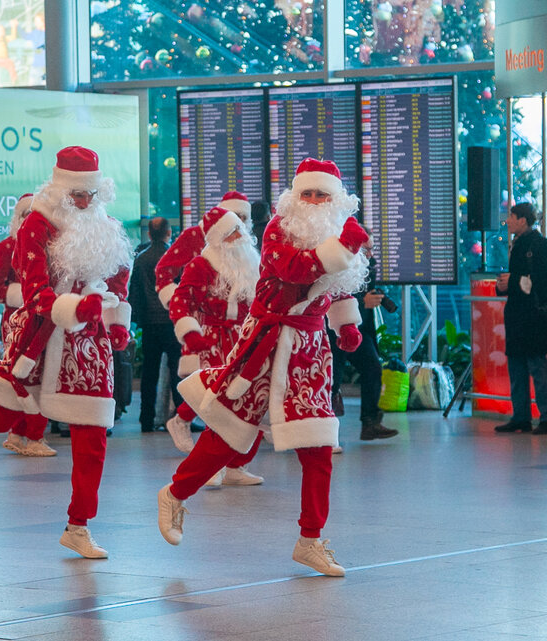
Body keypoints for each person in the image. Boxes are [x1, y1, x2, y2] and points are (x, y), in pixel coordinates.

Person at [158, 158, 369, 577]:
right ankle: (175, 493)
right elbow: (294, 268)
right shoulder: (277, 229)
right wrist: (342, 249)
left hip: (309, 351)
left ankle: (311, 538)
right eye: (306, 192)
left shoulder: (337, 236)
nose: (312, 201)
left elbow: (338, 285)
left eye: (320, 194)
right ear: (294, 196)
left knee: (319, 445)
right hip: (264, 343)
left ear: (334, 200)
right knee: (230, 435)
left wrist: (346, 325)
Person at [0, 147, 133, 559]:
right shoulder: (37, 225)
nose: (85, 202)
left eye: (91, 194)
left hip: (89, 344)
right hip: (40, 337)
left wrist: (117, 320)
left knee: (93, 436)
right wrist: (75, 307)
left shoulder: (107, 227)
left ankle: (78, 525)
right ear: (59, 188)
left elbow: (118, 279)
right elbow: (36, 292)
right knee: (2, 412)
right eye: (77, 194)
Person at [164, 207, 265, 489]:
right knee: (218, 402)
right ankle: (209, 463)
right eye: (232, 232)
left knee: (250, 400)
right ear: (218, 238)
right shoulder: (201, 265)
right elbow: (180, 301)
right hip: (214, 338)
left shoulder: (252, 263)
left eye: (239, 229)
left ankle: (236, 465)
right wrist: (190, 333)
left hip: (246, 338)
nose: (240, 235)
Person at [0, 194, 55, 457]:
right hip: (18, 323)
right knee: (23, 377)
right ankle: (29, 434)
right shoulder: (3, 249)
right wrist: (29, 294)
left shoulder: (51, 248)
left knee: (44, 375)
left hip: (46, 320)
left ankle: (22, 433)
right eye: (25, 216)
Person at [493, 202, 547, 435]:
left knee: (536, 365)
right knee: (517, 366)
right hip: (517, 315)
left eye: (511, 216)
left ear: (523, 220)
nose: (507, 221)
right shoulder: (518, 245)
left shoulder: (542, 245)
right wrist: (505, 284)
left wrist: (511, 281)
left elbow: (544, 280)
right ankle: (521, 416)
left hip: (533, 316)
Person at [328, 231, 399, 441]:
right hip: (335, 329)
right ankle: (325, 432)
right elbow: (332, 299)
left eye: (372, 249)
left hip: (360, 329)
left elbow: (368, 290)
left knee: (372, 368)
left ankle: (370, 422)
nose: (370, 254)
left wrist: (382, 298)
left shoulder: (369, 266)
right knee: (332, 379)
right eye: (366, 249)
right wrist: (362, 302)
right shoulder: (336, 266)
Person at [129, 217, 184, 432]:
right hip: (172, 322)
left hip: (150, 324)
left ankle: (146, 419)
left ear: (150, 235)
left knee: (149, 374)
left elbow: (135, 294)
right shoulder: (175, 258)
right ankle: (180, 419)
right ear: (169, 233)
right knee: (177, 371)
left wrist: (136, 322)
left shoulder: (141, 259)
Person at [154, 191, 252, 308]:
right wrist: (179, 303)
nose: (240, 221)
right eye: (235, 216)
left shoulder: (245, 245)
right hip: (203, 317)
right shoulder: (195, 236)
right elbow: (164, 269)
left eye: (244, 217)